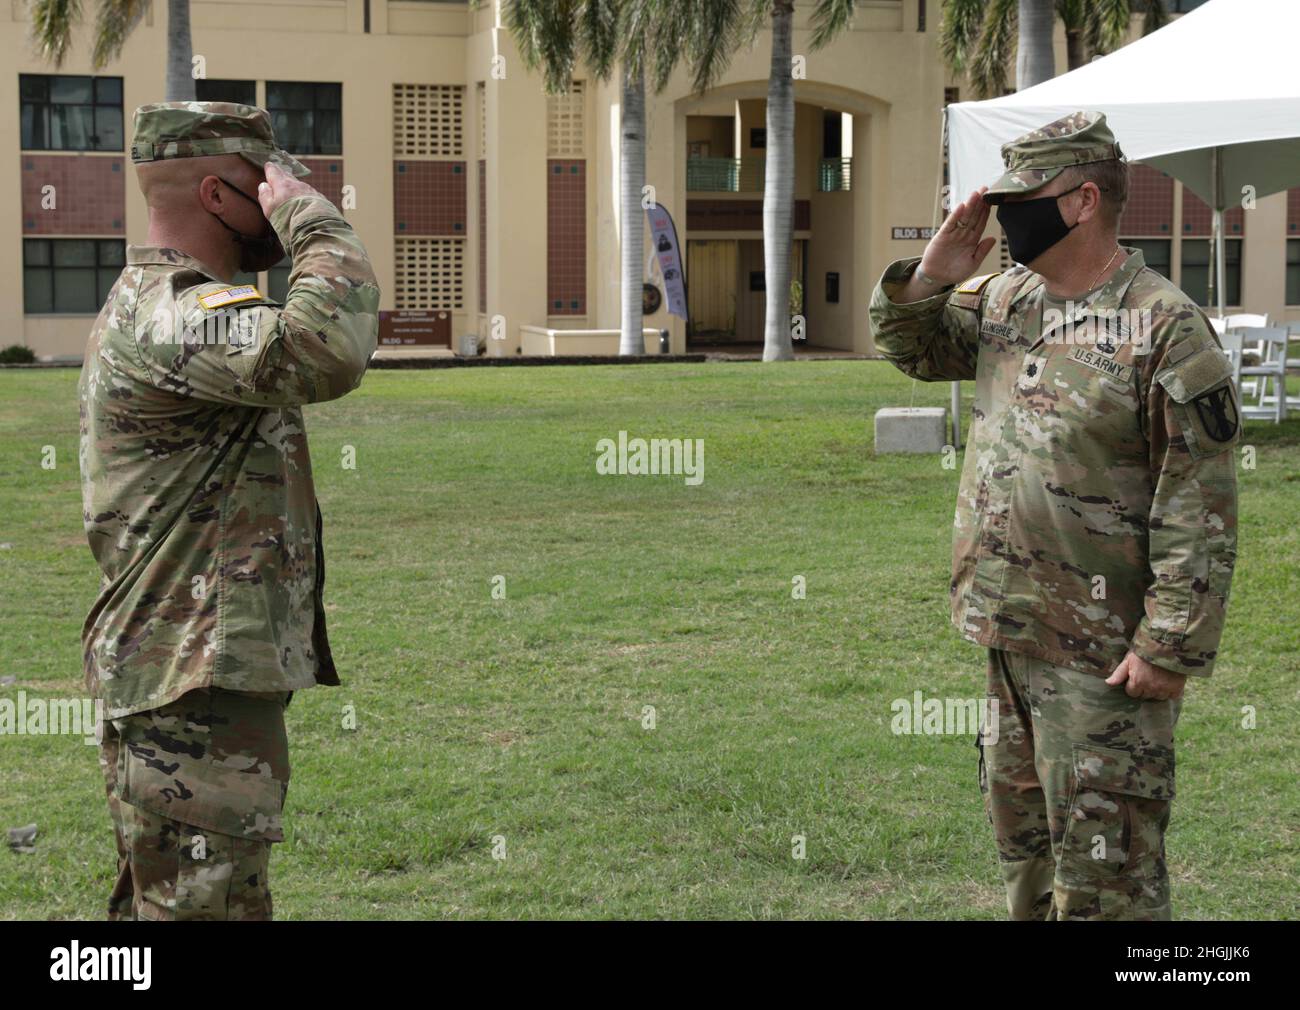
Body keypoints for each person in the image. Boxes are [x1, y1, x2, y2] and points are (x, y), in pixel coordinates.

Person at [868, 111, 1239, 920]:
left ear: (1082, 200)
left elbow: (1199, 502)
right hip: (1008, 632)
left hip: (1103, 657)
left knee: (1110, 881)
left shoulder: (1164, 325)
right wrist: (930, 275)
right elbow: (916, 350)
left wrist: (1168, 644)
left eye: (1021, 197)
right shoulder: (1009, 298)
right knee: (1027, 867)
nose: (1003, 214)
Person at [78, 102, 379, 920]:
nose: (282, 196)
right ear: (218, 195)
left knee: (174, 909)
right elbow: (329, 346)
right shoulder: (177, 311)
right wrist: (312, 218)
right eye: (269, 182)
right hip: (189, 681)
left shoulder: (177, 307)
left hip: (187, 673)